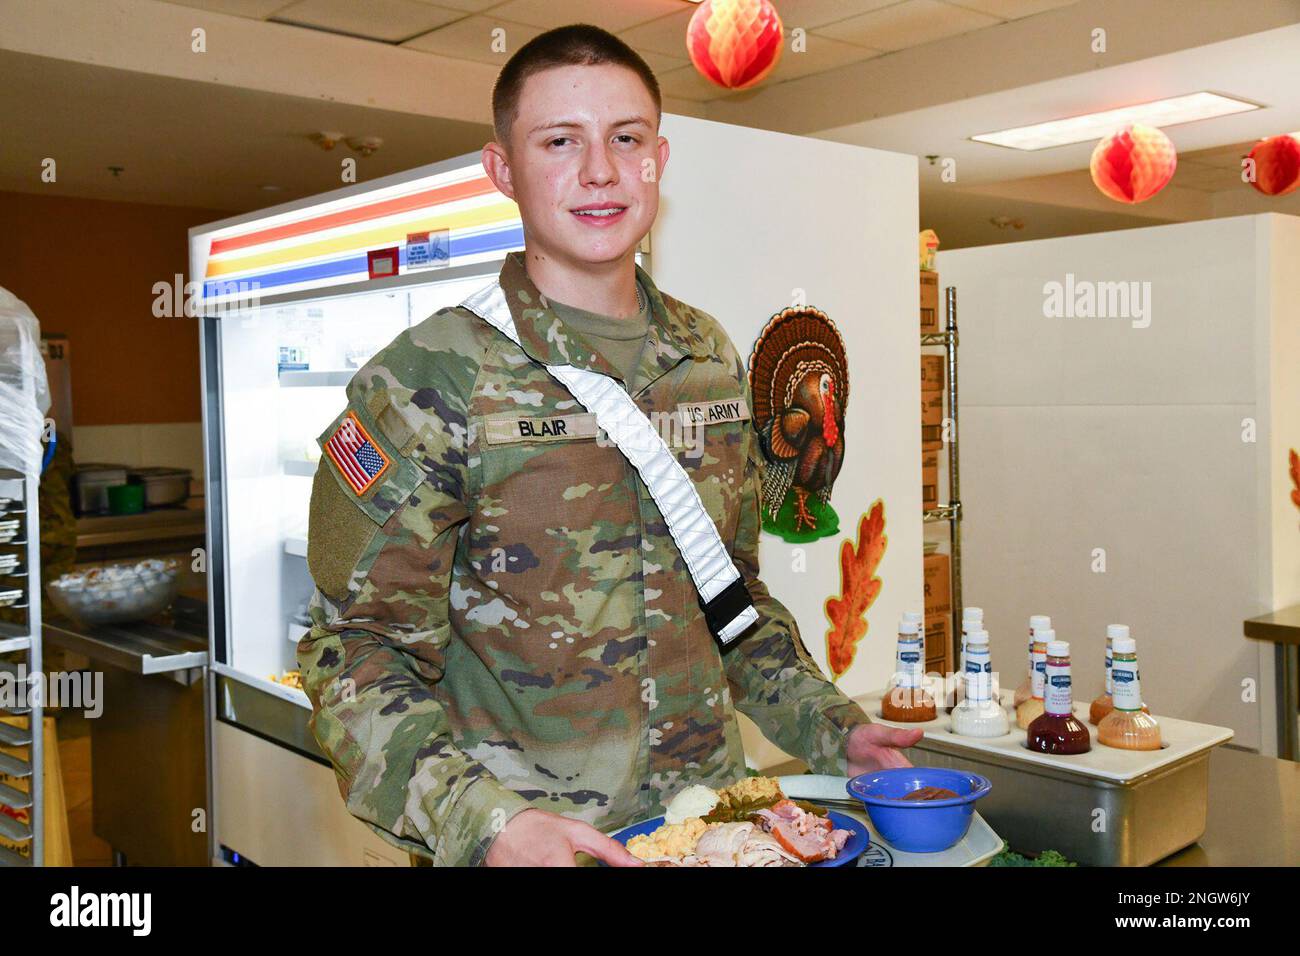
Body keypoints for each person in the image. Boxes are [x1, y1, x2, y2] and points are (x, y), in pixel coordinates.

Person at [297, 23, 921, 868]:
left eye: (625, 140)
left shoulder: (707, 361)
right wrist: (486, 825)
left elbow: (734, 605)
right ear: (502, 169)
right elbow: (354, 656)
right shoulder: (427, 380)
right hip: (533, 846)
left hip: (711, 835)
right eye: (560, 142)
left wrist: (833, 731)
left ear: (658, 158)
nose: (600, 171)